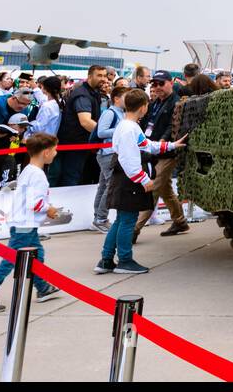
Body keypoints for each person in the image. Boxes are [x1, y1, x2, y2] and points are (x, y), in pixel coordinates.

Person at [95, 89, 186, 275]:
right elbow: (129, 160)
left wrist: (171, 145)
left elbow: (147, 145)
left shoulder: (128, 125)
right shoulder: (130, 128)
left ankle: (106, 259)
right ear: (144, 107)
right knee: (127, 221)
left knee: (121, 220)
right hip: (129, 181)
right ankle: (125, 260)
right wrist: (144, 179)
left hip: (126, 178)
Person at [0, 132, 64, 313]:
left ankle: (43, 287)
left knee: (37, 254)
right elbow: (34, 203)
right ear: (46, 152)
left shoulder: (28, 170)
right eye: (54, 150)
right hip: (25, 225)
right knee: (9, 261)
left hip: (24, 224)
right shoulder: (38, 175)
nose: (56, 153)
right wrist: (49, 209)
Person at [134, 75, 187, 239]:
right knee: (165, 189)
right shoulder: (155, 103)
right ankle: (180, 221)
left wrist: (162, 141)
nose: (157, 87)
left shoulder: (176, 103)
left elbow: (173, 126)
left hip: (167, 152)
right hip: (153, 150)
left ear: (170, 83)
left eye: (160, 83)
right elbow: (146, 124)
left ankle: (134, 229)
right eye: (154, 84)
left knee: (153, 188)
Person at [54, 64, 108, 187]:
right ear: (89, 76)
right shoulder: (83, 94)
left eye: (104, 76)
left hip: (83, 144)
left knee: (80, 178)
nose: (103, 79)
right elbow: (85, 122)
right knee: (72, 178)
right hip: (75, 144)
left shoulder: (93, 92)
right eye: (99, 75)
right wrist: (106, 134)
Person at [91, 85, 130, 232]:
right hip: (107, 153)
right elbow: (101, 132)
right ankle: (100, 218)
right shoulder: (110, 113)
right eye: (126, 97)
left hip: (109, 153)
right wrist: (122, 128)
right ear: (117, 98)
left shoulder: (119, 113)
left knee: (104, 186)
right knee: (109, 186)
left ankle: (99, 218)